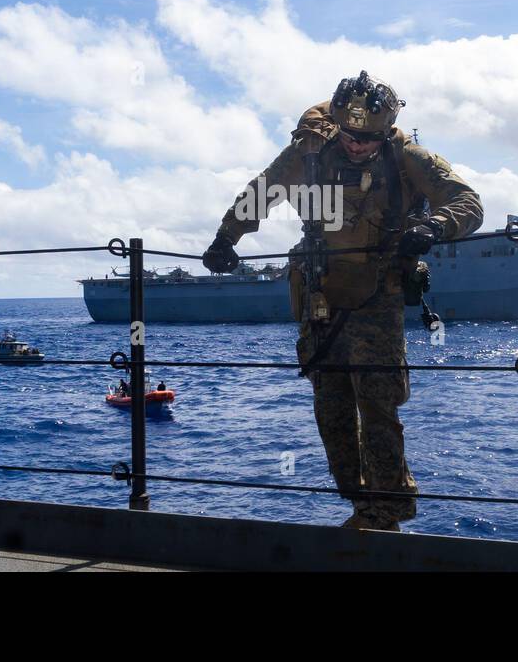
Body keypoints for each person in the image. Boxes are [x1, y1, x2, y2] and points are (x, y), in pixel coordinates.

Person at [202, 71, 482, 530]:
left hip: (377, 297)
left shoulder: (407, 158)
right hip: (321, 298)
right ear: (336, 124)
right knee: (330, 410)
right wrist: (225, 238)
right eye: (350, 136)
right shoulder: (309, 153)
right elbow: (261, 192)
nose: (356, 145)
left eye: (367, 138)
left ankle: (389, 509)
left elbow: (468, 201)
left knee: (378, 406)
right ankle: (360, 505)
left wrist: (434, 226)